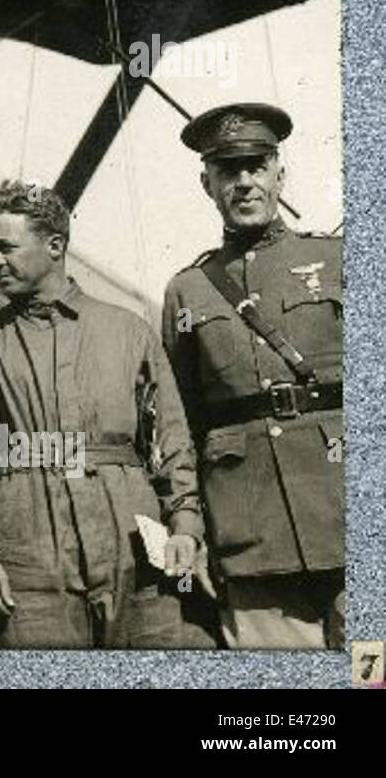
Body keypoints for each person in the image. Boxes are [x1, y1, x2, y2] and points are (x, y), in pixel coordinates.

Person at [0, 182, 203, 648]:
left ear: (55, 245)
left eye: (6, 247)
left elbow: (170, 443)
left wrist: (185, 524)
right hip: (32, 560)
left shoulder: (128, 331)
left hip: (135, 549)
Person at [161, 103, 343, 648]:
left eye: (256, 166)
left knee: (372, 671)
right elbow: (181, 424)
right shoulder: (187, 292)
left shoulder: (338, 260)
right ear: (206, 183)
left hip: (347, 508)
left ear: (279, 173)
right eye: (227, 170)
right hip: (251, 530)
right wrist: (187, 520)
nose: (244, 182)